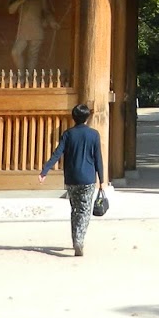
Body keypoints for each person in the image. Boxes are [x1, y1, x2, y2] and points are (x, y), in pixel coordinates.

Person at [39, 103, 105, 256]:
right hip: (87, 178)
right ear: (87, 117)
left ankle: (75, 238)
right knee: (84, 210)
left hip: (71, 177)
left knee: (75, 209)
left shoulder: (68, 134)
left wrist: (45, 171)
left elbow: (57, 153)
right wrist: (102, 179)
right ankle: (79, 240)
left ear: (73, 117)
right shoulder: (94, 135)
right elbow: (98, 158)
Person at [7, 0, 57, 69]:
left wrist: (52, 22)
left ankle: (30, 76)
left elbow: (46, 12)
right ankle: (21, 74)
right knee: (15, 52)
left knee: (32, 55)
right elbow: (11, 10)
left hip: (36, 30)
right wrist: (19, 1)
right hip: (23, 30)